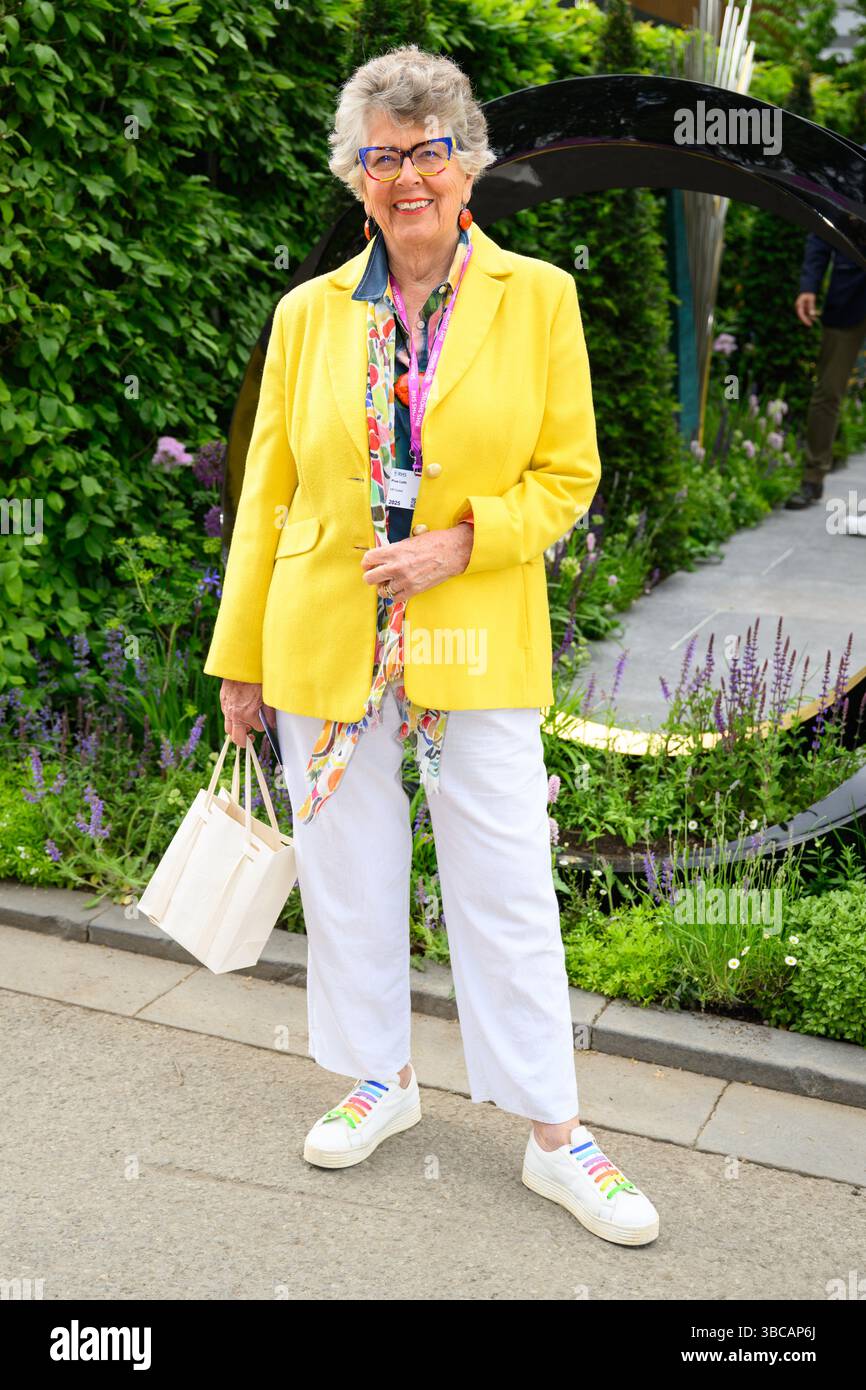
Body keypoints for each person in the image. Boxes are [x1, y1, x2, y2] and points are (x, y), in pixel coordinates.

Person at [203, 44, 658, 1246]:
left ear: (470, 164)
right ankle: (379, 1078)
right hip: (325, 628)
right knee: (349, 874)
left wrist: (462, 545)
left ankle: (556, 1132)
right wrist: (237, 657)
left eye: (430, 149)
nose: (409, 174)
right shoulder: (308, 314)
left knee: (503, 879)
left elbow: (568, 475)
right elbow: (268, 489)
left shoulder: (538, 297)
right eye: (383, 154)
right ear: (355, 176)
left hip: (469, 626)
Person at [786, 229, 866, 509]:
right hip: (849, 295)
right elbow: (822, 228)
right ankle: (812, 478)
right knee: (828, 391)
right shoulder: (849, 182)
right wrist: (809, 285)